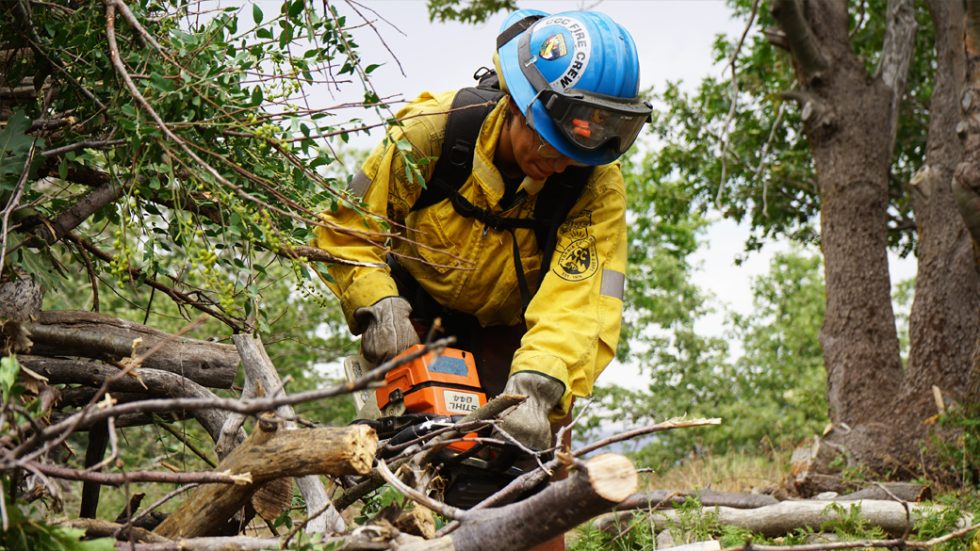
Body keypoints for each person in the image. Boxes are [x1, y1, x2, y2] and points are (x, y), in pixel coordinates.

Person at [314, 8, 648, 461]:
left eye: (579, 150)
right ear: (516, 104)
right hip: (415, 317)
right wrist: (377, 303)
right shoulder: (433, 132)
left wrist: (536, 386)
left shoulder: (593, 185)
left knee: (524, 476)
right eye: (551, 141)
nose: (563, 163)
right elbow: (350, 226)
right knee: (418, 458)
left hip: (518, 337)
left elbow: (581, 304)